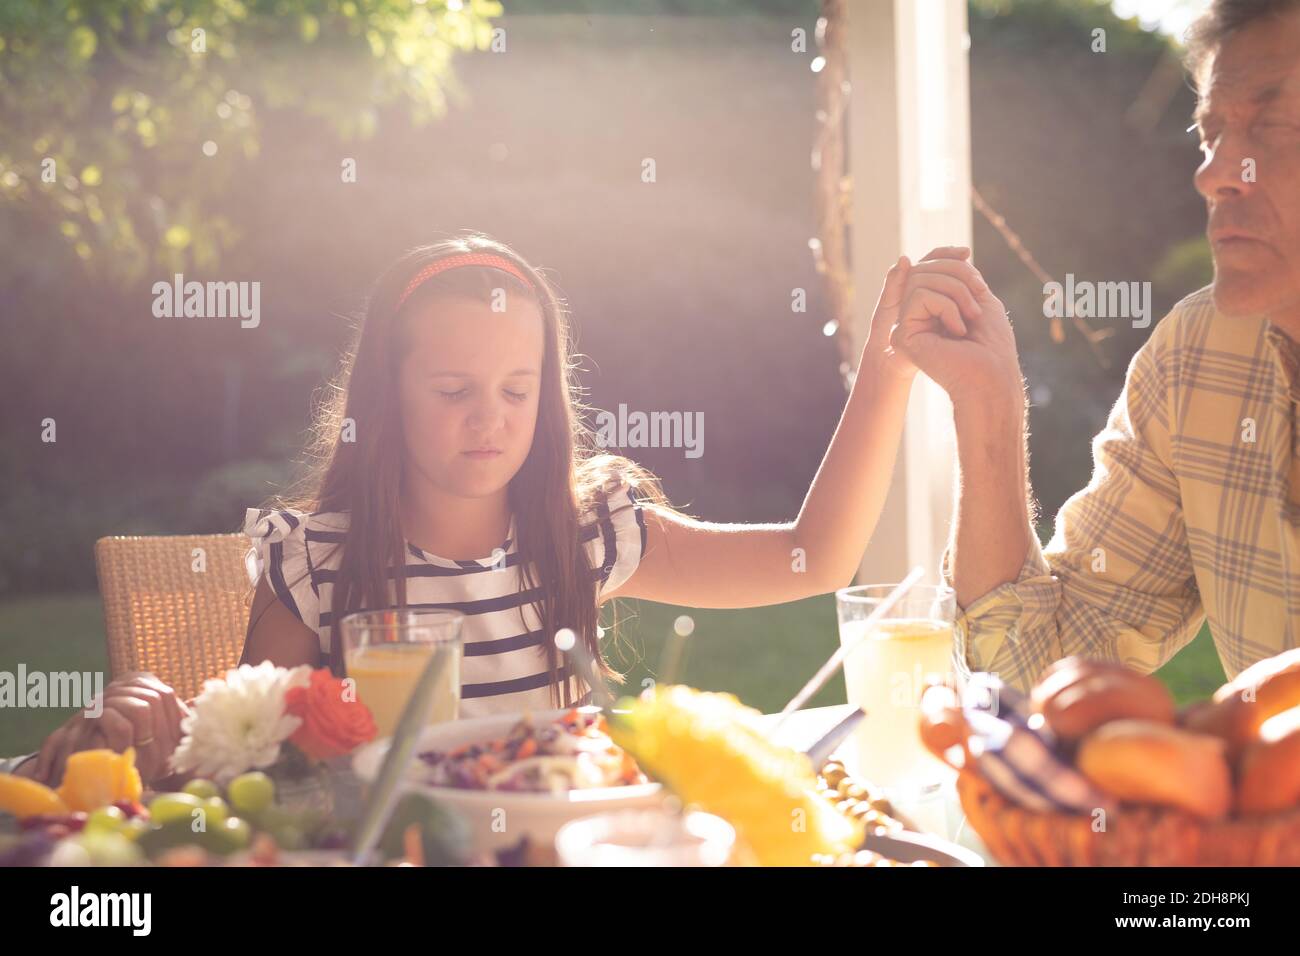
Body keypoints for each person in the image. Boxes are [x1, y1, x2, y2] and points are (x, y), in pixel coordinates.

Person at [239, 233, 976, 715]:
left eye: (517, 391)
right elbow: (246, 770)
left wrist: (890, 370)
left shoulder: (585, 531)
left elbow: (814, 558)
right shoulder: (313, 565)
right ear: (385, 396)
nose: (490, 419)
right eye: (453, 391)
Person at [890, 0, 1300, 692]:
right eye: (1210, 134)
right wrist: (988, 406)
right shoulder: (1196, 360)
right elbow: (1039, 674)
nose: (1216, 172)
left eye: (1277, 126)